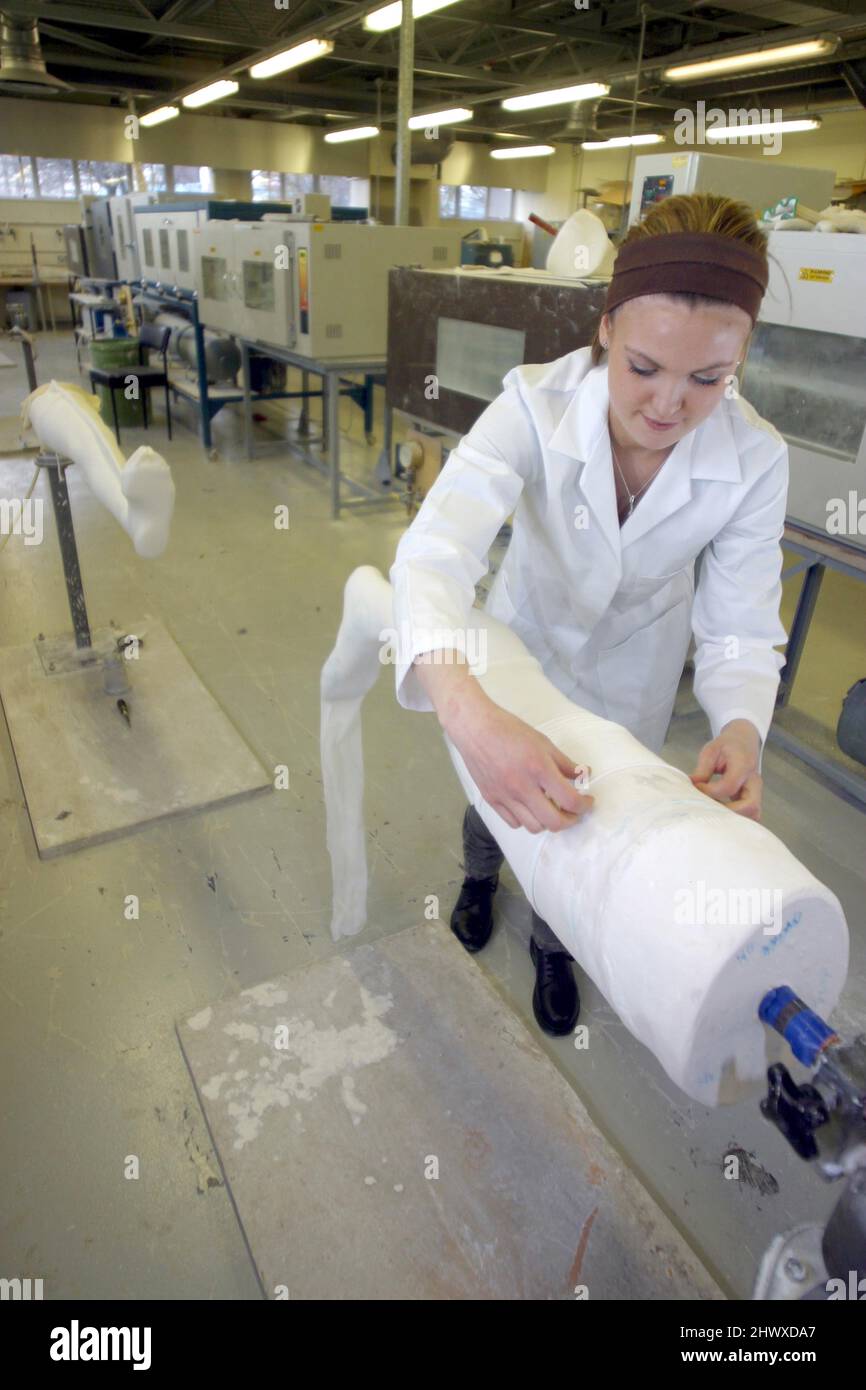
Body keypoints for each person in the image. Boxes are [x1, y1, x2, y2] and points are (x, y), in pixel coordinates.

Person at [389, 192, 789, 1038]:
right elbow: (432, 555)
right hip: (519, 649)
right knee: (495, 796)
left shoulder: (755, 459)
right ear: (605, 326)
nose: (668, 406)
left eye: (709, 379)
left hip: (630, 677)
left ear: (740, 358)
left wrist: (743, 725)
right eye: (644, 367)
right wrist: (468, 714)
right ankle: (477, 875)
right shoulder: (533, 407)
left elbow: (741, 623)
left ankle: (554, 945)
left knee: (586, 821)